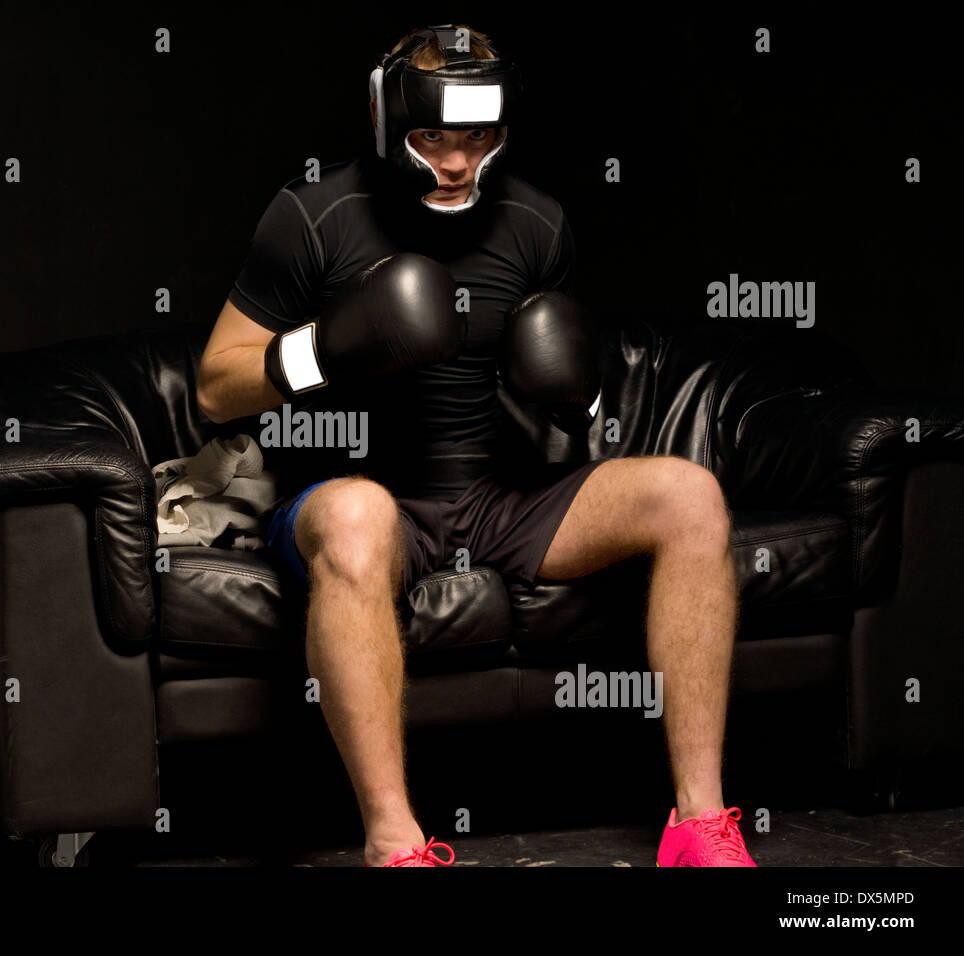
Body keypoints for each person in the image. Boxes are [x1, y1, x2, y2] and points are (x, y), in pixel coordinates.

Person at [196, 23, 756, 868]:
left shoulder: (536, 222)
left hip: (499, 497)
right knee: (354, 514)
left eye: (478, 138)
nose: (457, 164)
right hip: (363, 497)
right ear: (390, 124)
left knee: (690, 495)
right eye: (433, 139)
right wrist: (327, 346)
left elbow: (570, 406)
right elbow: (212, 387)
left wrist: (576, 387)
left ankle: (699, 826)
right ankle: (395, 844)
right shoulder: (314, 214)